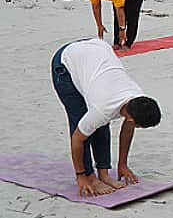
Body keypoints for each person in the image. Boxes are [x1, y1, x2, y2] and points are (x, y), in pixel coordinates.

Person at [51, 37, 161, 197]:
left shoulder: (137, 97)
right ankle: (90, 176)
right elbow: (77, 139)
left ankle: (103, 174)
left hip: (96, 52)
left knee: (101, 123)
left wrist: (122, 165)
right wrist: (81, 176)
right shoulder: (103, 108)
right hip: (66, 62)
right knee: (81, 120)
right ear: (132, 120)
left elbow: (128, 130)